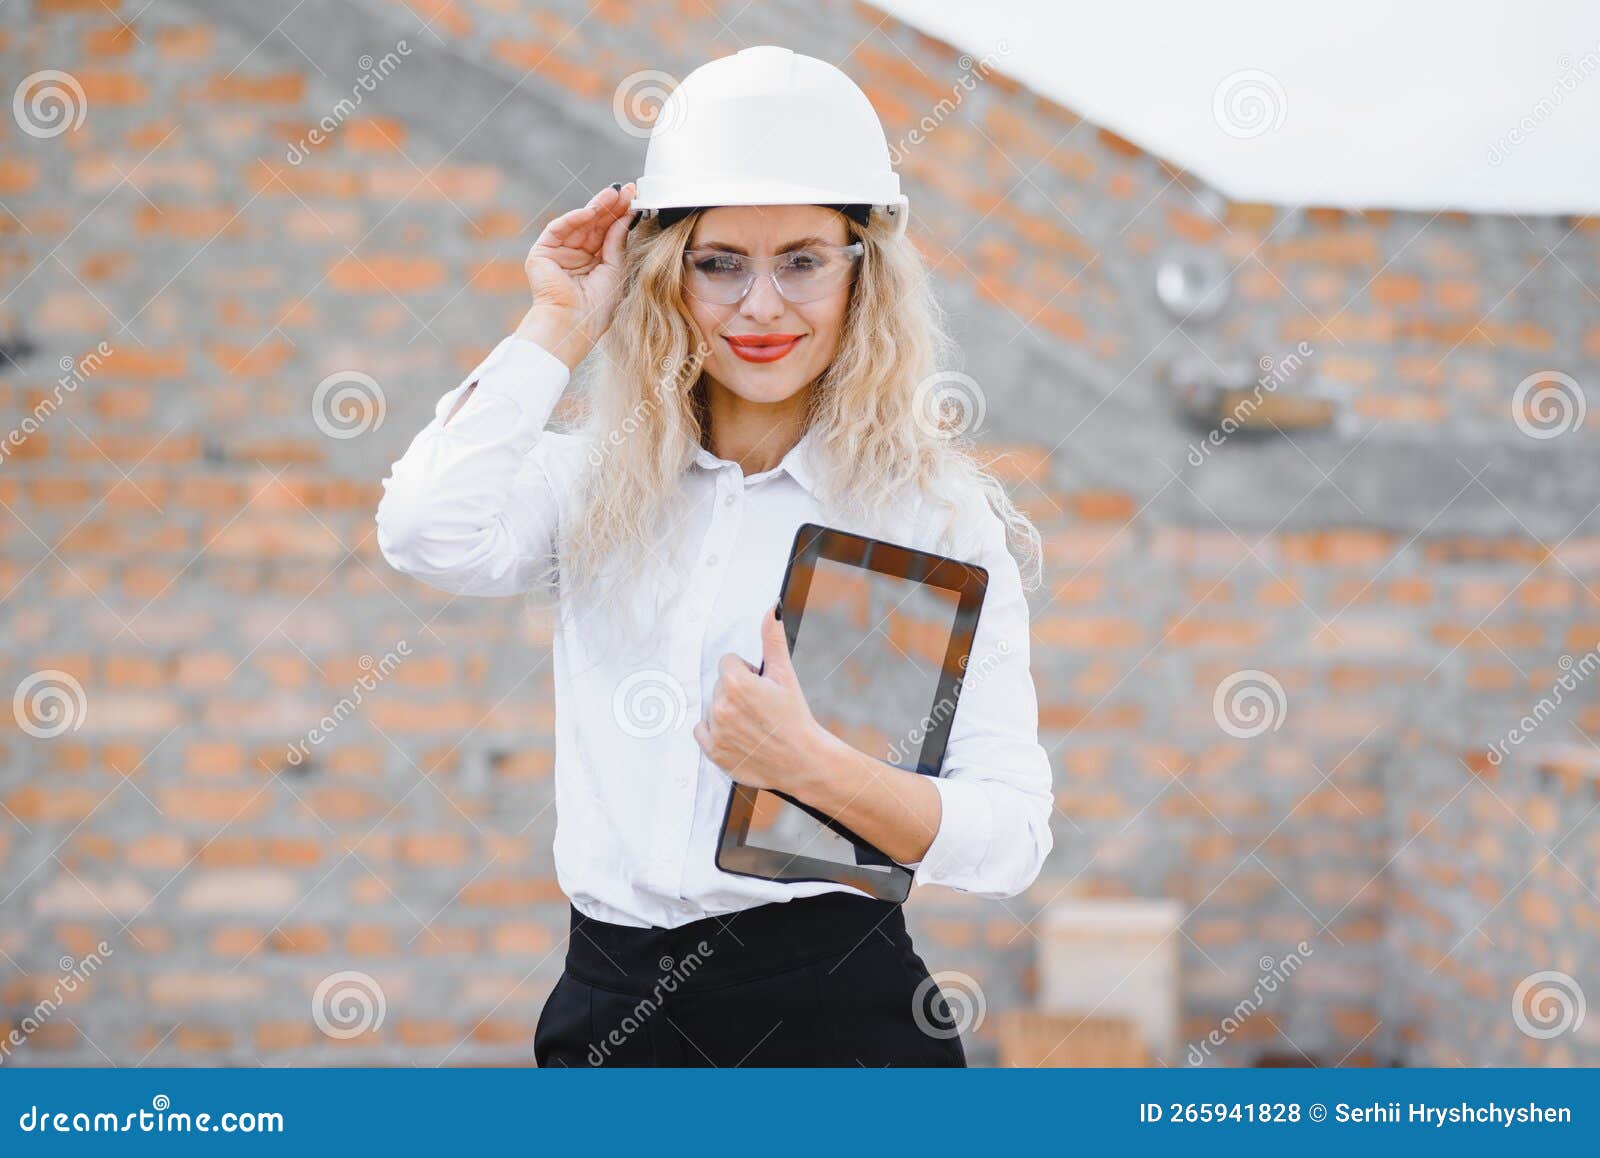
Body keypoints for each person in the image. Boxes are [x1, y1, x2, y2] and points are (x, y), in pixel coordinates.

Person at [376, 45, 1053, 1067]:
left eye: (802, 261)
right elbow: (427, 529)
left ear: (862, 271)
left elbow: (1009, 837)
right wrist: (557, 323)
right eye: (719, 261)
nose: (762, 307)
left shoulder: (931, 518)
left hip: (837, 1022)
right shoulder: (589, 482)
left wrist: (811, 769)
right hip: (609, 1013)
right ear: (665, 272)